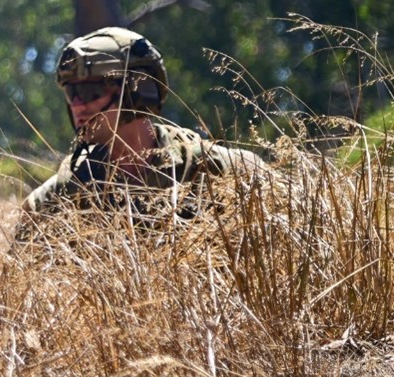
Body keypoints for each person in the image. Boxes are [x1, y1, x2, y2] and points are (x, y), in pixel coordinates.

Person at [17, 27, 268, 236]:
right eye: (71, 92)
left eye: (90, 91)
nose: (78, 105)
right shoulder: (60, 195)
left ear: (137, 90)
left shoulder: (219, 169)